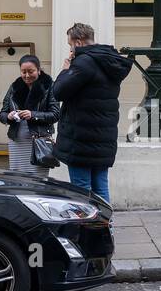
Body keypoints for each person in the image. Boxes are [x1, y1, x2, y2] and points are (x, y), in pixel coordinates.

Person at [51, 22, 131, 203]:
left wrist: (65, 71)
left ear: (78, 43)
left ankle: (87, 230)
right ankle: (104, 227)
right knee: (100, 188)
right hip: (103, 138)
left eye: (70, 44)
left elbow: (58, 92)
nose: (70, 49)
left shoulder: (83, 62)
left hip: (81, 139)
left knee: (81, 190)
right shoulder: (108, 61)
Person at [0, 54, 60, 178]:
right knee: (17, 178)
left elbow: (55, 114)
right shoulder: (14, 87)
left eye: (31, 71)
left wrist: (33, 115)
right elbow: (2, 114)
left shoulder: (49, 86)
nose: (27, 75)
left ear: (39, 70)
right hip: (17, 141)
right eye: (23, 72)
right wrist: (9, 116)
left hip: (39, 142)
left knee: (38, 180)